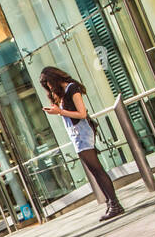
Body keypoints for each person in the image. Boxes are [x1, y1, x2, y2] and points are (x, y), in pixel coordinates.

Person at [40, 66, 125, 222]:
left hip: (83, 133)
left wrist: (60, 112)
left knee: (97, 169)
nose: (49, 87)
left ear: (54, 78)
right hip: (76, 135)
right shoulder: (62, 94)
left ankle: (115, 204)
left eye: (48, 83)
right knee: (94, 171)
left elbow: (82, 113)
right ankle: (110, 202)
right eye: (46, 85)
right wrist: (57, 108)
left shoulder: (73, 88)